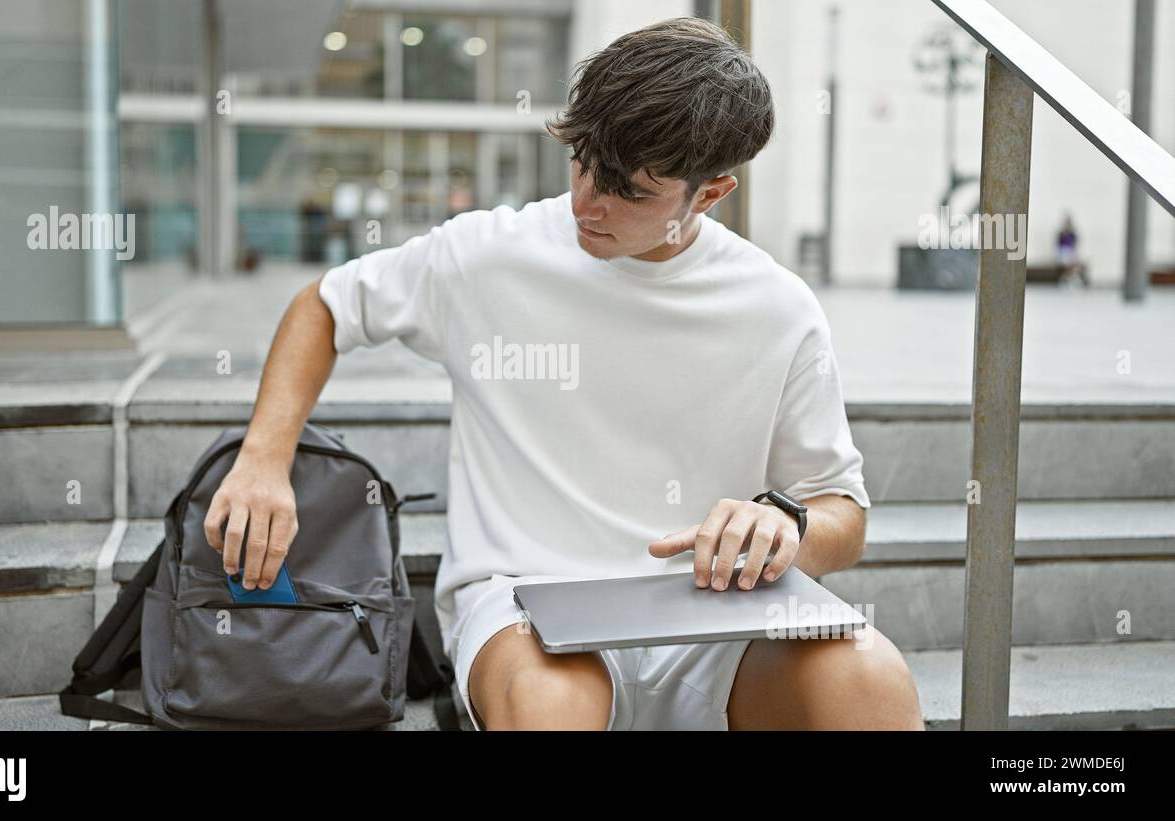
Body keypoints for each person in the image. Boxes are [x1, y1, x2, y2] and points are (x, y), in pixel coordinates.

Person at [202, 17, 924, 731]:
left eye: (630, 191)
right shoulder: (489, 255)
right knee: (552, 708)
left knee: (872, 679)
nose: (585, 202)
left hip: (720, 620)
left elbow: (844, 514)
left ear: (709, 195)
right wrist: (263, 457)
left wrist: (788, 525)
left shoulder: (779, 308)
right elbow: (323, 307)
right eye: (581, 162)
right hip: (529, 608)